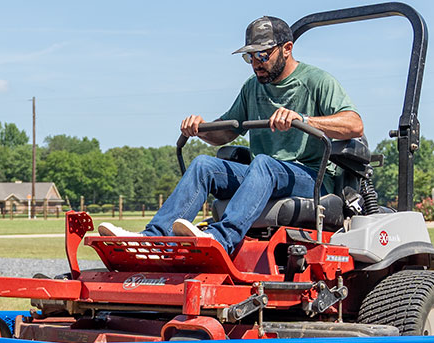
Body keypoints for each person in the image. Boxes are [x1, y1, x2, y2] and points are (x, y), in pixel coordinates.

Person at [99, 16, 364, 254]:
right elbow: (226, 132)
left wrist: (303, 120)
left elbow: (354, 125)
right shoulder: (252, 87)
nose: (256, 64)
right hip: (264, 174)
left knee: (263, 163)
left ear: (287, 49)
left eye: (262, 55)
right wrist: (201, 129)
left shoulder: (317, 81)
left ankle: (220, 238)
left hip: (310, 177)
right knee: (204, 165)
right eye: (250, 57)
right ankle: (154, 238)